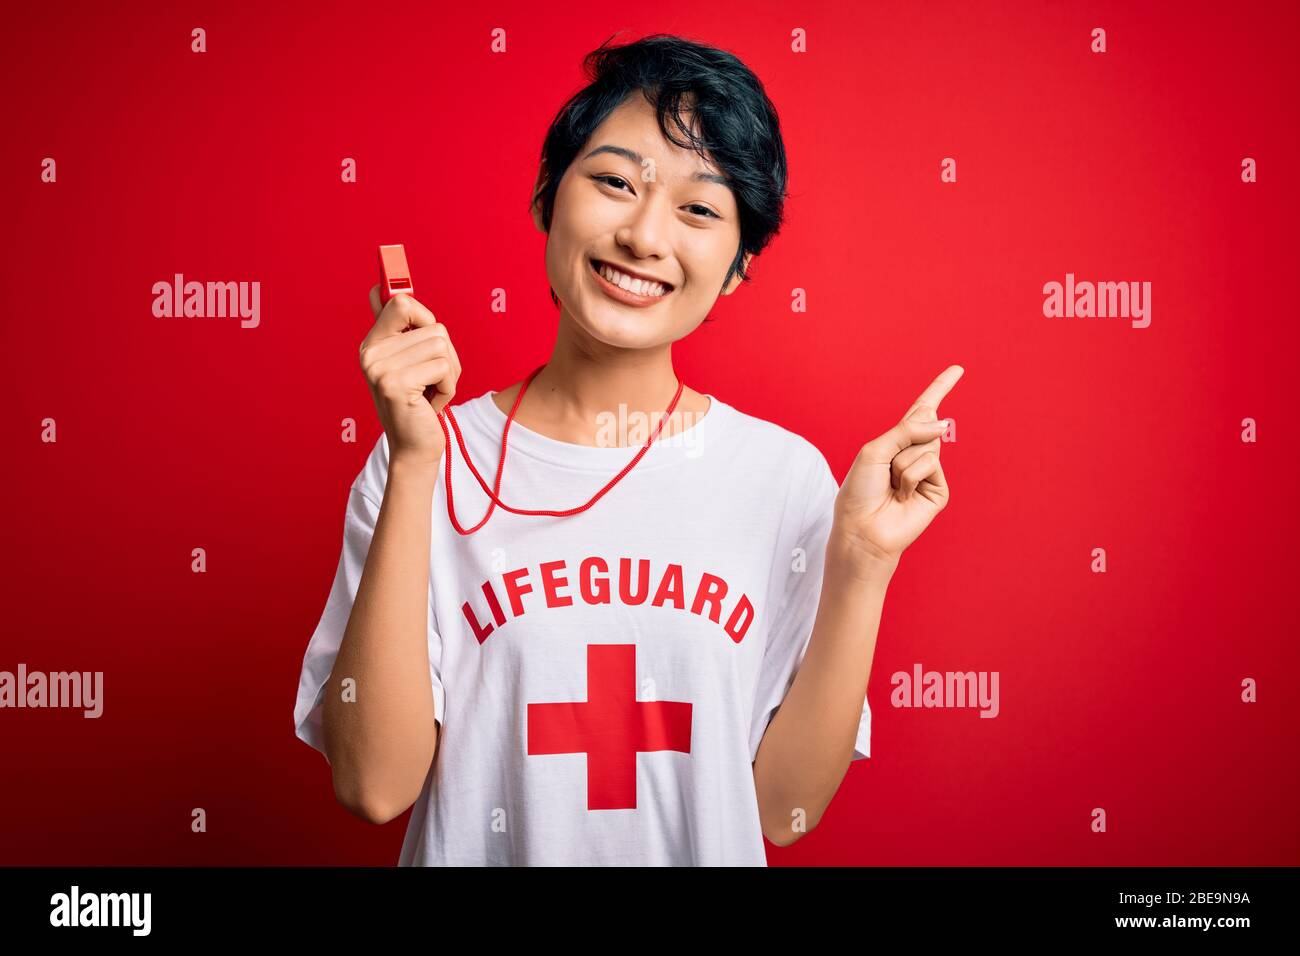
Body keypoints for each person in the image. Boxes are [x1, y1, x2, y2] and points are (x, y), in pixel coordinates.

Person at [293, 33, 962, 865]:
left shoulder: (784, 479)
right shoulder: (421, 457)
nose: (644, 237)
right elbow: (374, 787)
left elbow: (784, 811)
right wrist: (416, 465)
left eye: (699, 209)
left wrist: (860, 561)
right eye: (614, 182)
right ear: (547, 197)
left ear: (741, 268)